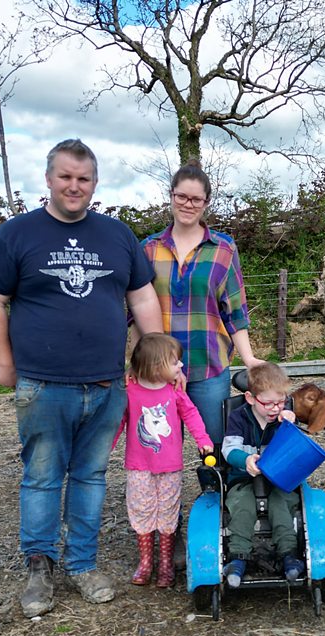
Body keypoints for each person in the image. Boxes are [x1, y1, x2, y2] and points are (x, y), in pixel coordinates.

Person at [0, 139, 163, 618]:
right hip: (43, 384)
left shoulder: (118, 236)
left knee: (91, 477)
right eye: (65, 177)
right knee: (41, 478)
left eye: (83, 179)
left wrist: (155, 359)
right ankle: (40, 567)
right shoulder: (17, 234)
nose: (74, 186)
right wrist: (6, 363)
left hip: (105, 385)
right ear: (49, 179)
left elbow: (141, 299)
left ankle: (82, 563)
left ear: (94, 184)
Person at [141, 160, 267, 449]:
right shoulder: (147, 249)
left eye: (196, 199)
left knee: (217, 447)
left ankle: (216, 493)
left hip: (209, 367)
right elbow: (136, 312)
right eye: (181, 196)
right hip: (159, 369)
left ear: (206, 203)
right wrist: (137, 363)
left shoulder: (223, 249)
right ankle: (165, 497)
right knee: (160, 449)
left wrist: (249, 359)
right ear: (171, 196)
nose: (188, 204)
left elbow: (235, 310)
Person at [115, 333, 215, 588]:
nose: (181, 366)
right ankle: (146, 561)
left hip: (170, 466)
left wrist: (202, 439)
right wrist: (107, 446)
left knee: (168, 512)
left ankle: (166, 563)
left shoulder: (175, 391)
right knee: (141, 509)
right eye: (175, 362)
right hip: (139, 465)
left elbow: (191, 414)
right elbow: (118, 421)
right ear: (156, 365)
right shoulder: (131, 391)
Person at [219, 361, 303, 587]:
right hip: (243, 478)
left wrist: (291, 427)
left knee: (281, 505)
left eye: (281, 401)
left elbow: (297, 451)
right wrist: (245, 460)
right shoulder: (238, 418)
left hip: (279, 481)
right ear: (250, 398)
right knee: (242, 505)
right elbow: (229, 449)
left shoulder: (283, 420)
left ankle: (289, 554)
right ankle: (238, 557)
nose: (275, 408)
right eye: (268, 403)